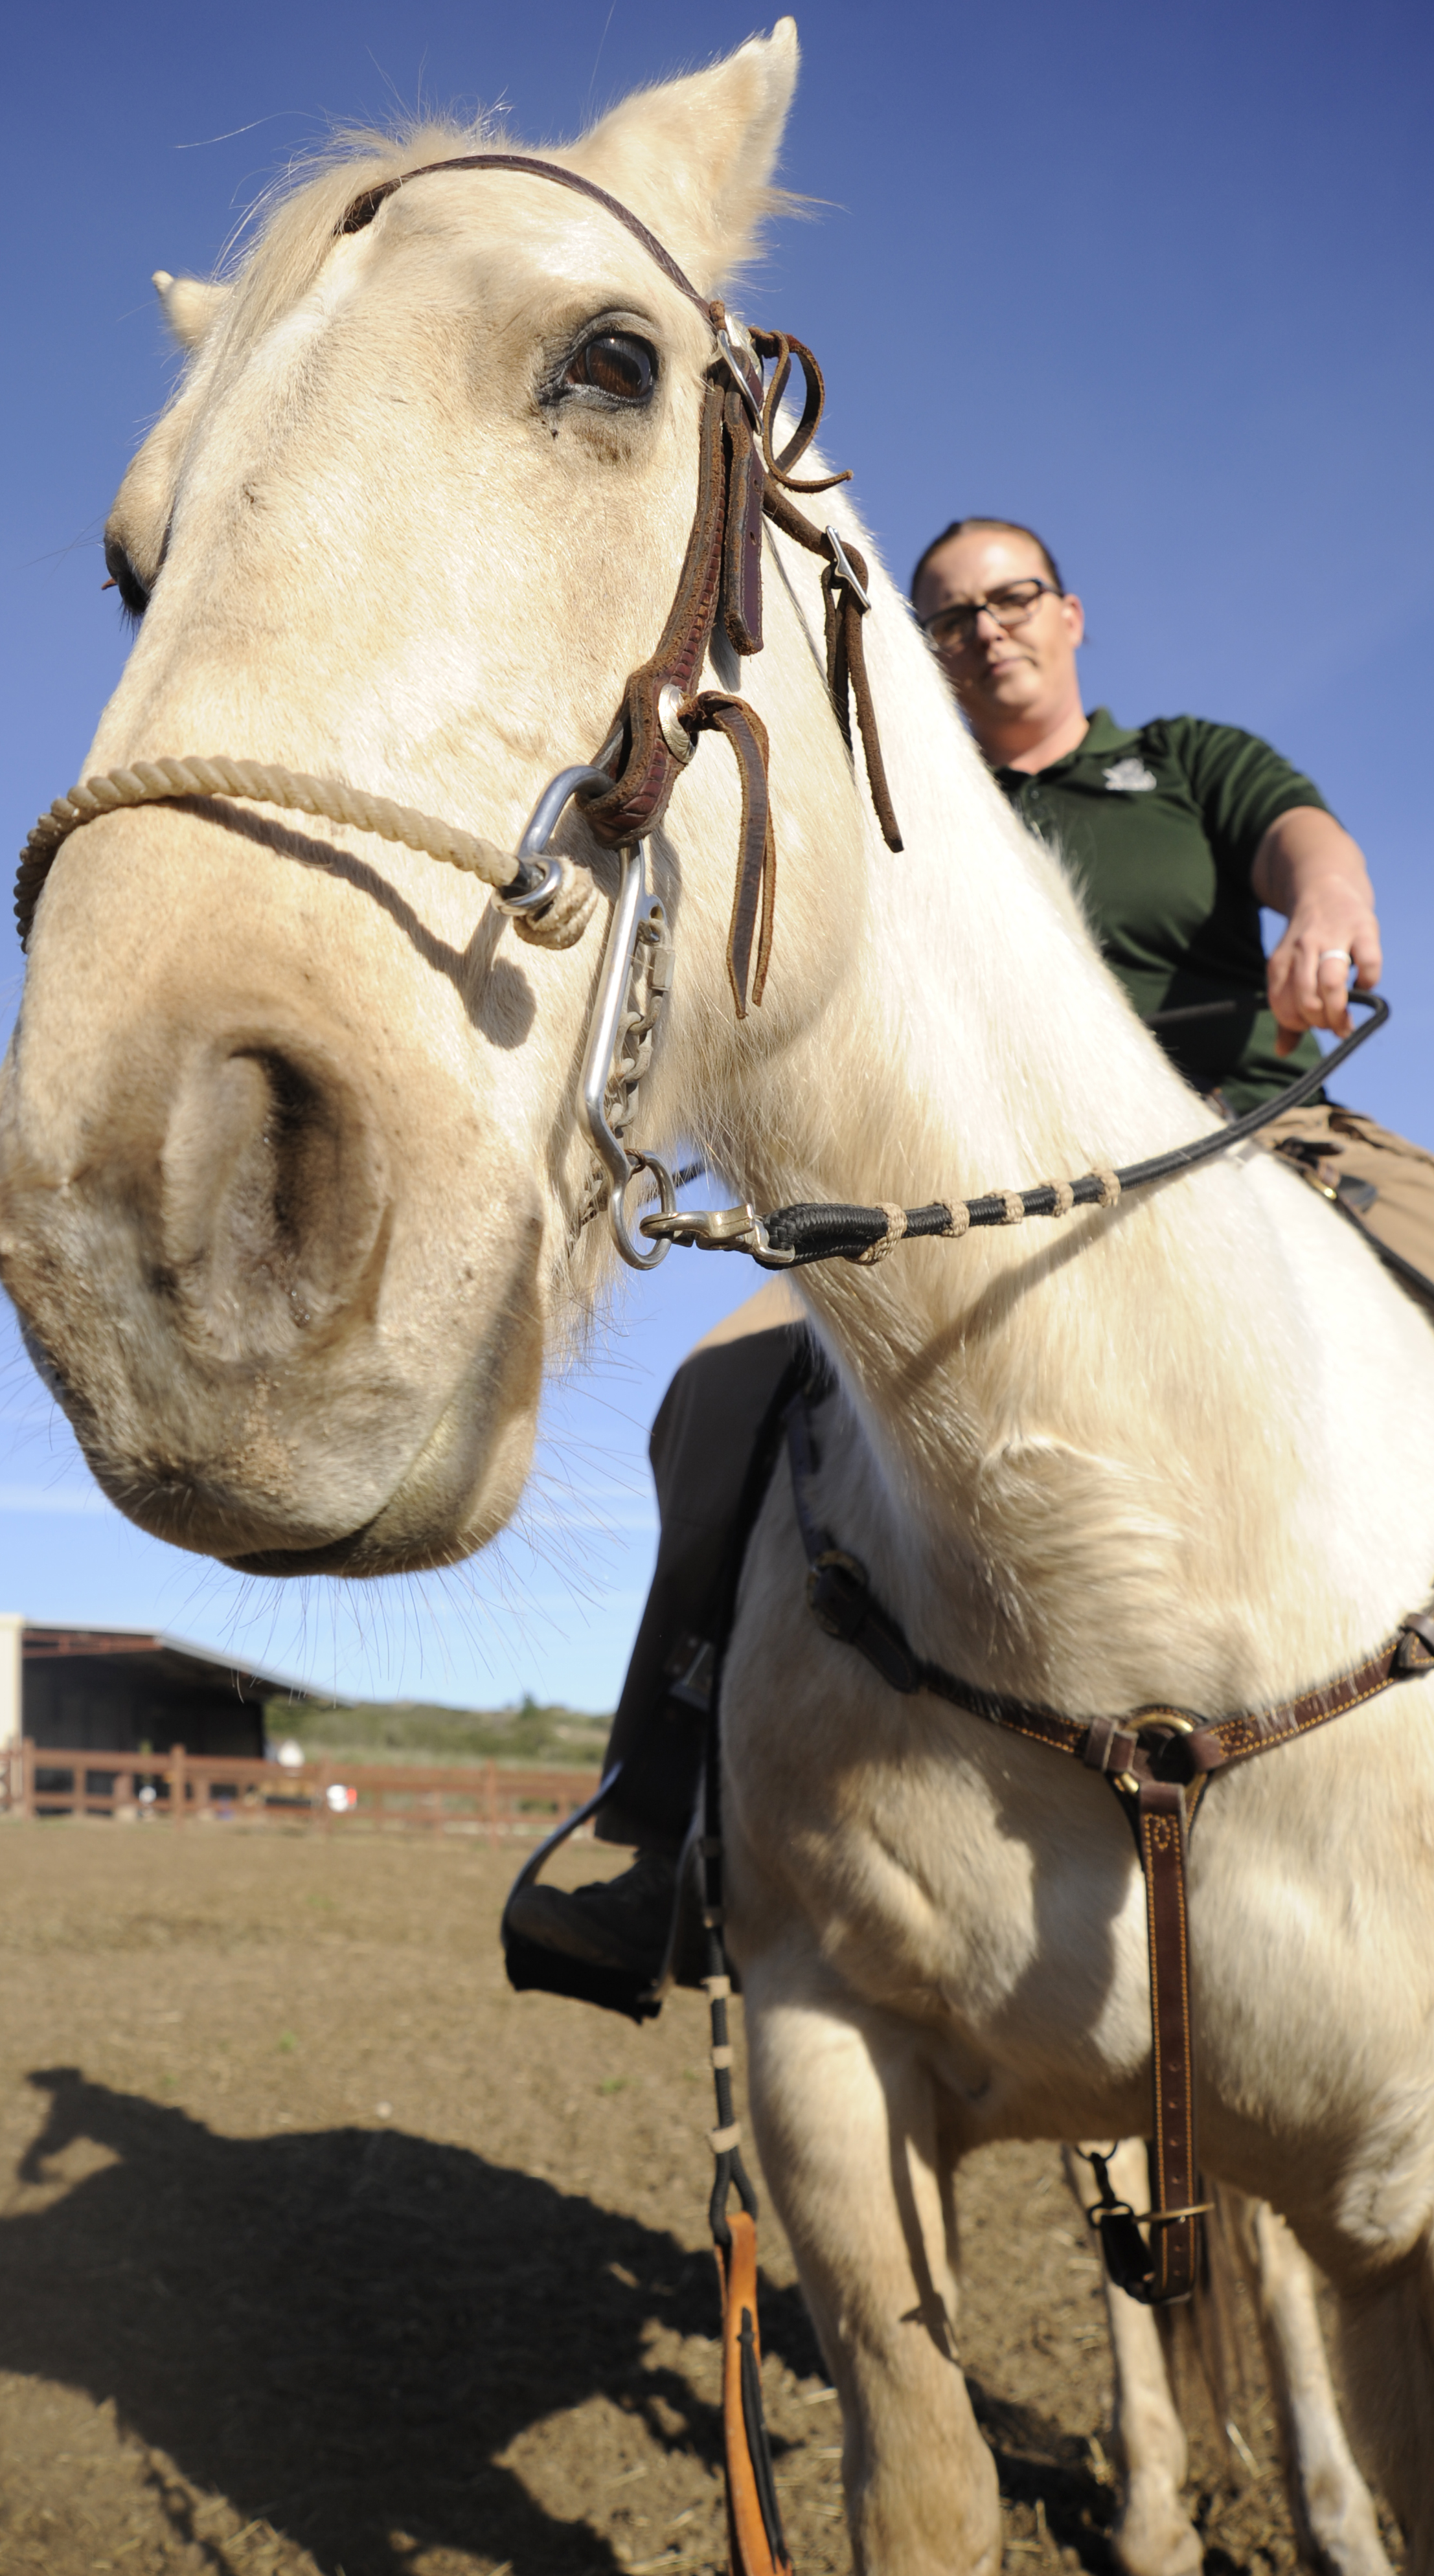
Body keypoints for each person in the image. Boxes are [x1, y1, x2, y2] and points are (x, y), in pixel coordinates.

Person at [506, 516, 1434, 1996]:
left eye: (1009, 599)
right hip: (982, 1205)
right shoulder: (918, 831)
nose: (983, 628)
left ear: (1068, 613)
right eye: (945, 618)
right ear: (923, 654)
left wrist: (1329, 897)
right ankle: (662, 1815)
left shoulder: (1183, 760)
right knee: (711, 1397)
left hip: (1261, 1139)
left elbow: (1295, 833)